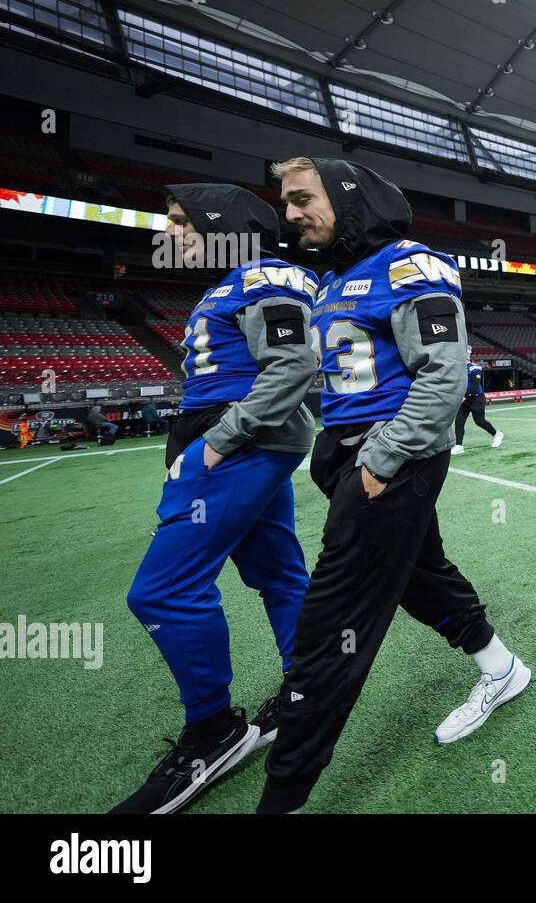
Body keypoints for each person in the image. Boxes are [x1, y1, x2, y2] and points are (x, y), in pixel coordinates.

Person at [259, 157, 530, 814]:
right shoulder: (334, 279)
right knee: (420, 574)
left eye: (302, 198)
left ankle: (282, 799)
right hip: (347, 455)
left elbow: (442, 375)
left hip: (391, 457)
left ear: (349, 200)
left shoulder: (412, 264)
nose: (289, 213)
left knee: (329, 628)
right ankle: (503, 669)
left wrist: (379, 463)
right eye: (284, 202)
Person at [112, 184, 318, 814]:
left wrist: (215, 444)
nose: (169, 233)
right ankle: (306, 691)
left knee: (162, 591)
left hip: (235, 441)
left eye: (180, 222)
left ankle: (214, 732)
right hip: (244, 441)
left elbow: (292, 366)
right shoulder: (239, 281)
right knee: (277, 572)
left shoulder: (264, 276)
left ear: (224, 225)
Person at [451, 347, 503, 454]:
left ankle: (496, 434)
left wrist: (464, 397)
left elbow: (474, 386)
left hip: (476, 398)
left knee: (479, 421)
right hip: (465, 399)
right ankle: (459, 445)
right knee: (459, 421)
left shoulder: (474, 367)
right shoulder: (459, 369)